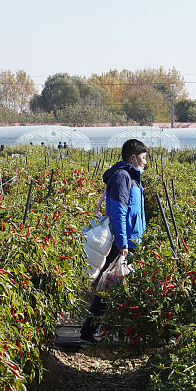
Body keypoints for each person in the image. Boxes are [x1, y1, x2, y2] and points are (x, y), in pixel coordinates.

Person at [80, 139, 148, 343]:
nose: (145, 162)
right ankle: (90, 331)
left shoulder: (133, 177)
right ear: (133, 157)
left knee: (115, 285)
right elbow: (118, 212)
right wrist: (124, 243)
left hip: (132, 239)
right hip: (123, 242)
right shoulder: (122, 176)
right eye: (143, 158)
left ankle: (101, 330)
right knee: (109, 286)